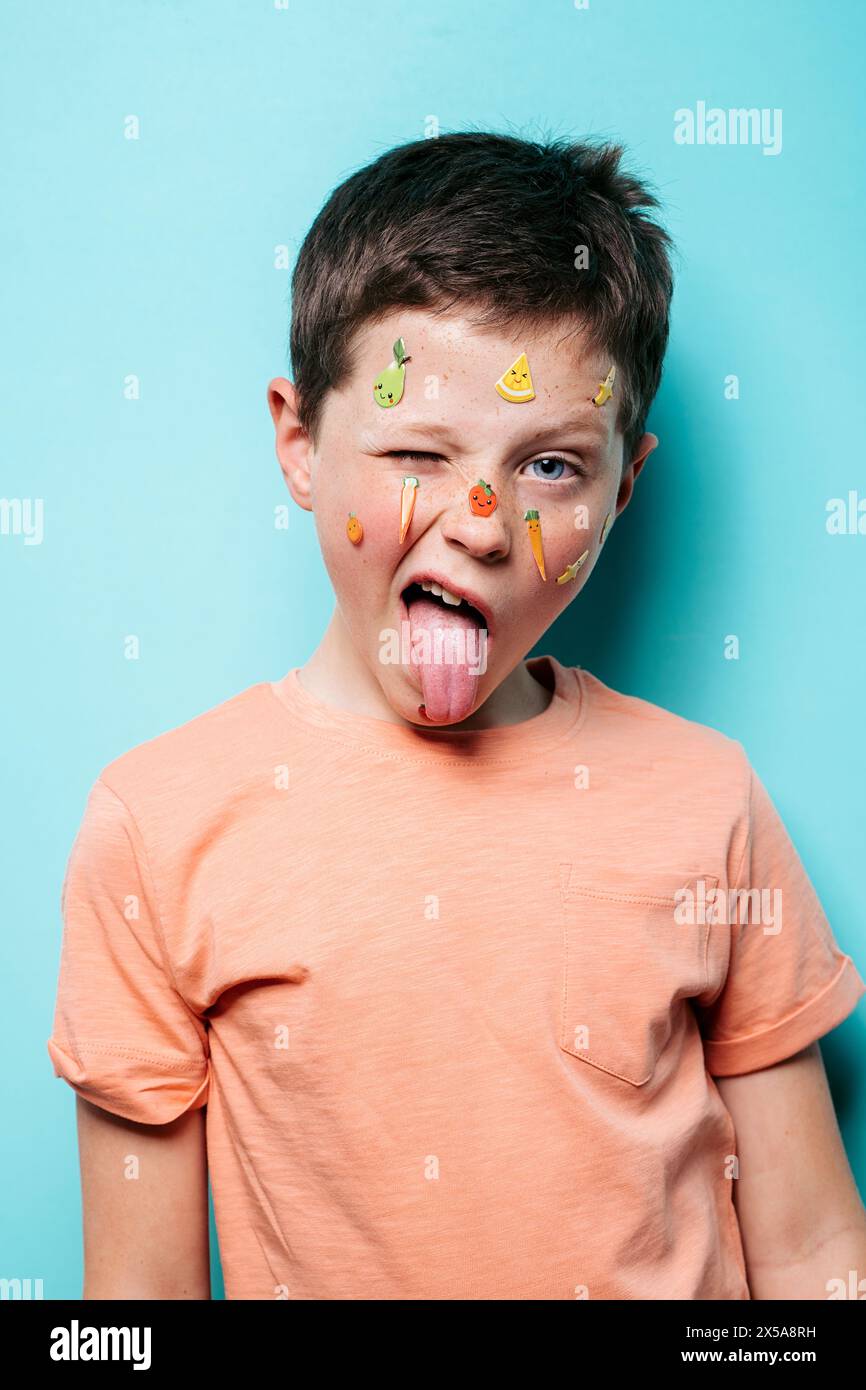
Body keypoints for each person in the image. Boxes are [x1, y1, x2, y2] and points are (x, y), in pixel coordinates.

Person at [47, 132, 866, 1300]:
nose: (482, 525)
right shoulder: (158, 827)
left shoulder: (705, 797)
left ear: (621, 486)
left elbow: (811, 1248)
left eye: (548, 468)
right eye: (416, 450)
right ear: (298, 442)